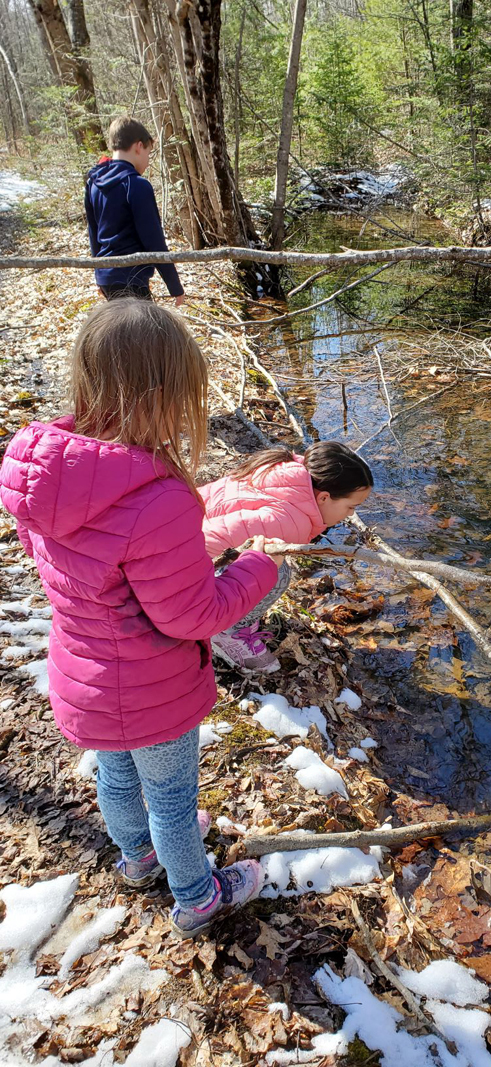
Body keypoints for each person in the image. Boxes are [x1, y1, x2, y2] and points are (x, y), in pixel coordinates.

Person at [0, 300, 280, 938]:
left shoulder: (43, 475)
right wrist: (257, 570)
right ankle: (198, 896)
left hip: (82, 674)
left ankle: (137, 858)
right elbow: (191, 615)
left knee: (116, 776)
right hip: (151, 690)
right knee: (175, 801)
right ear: (162, 394)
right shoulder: (156, 498)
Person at [201, 443, 374, 671]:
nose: (351, 514)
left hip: (159, 545)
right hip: (172, 573)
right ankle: (226, 632)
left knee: (268, 565)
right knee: (276, 572)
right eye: (351, 506)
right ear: (323, 497)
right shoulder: (289, 522)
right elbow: (200, 545)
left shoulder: (286, 473)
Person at [85, 116, 185, 305]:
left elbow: (94, 233)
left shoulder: (93, 183)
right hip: (131, 278)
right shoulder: (136, 185)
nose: (147, 161)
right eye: (148, 153)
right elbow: (153, 239)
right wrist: (174, 285)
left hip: (107, 278)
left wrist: (98, 272)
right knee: (148, 333)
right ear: (139, 146)